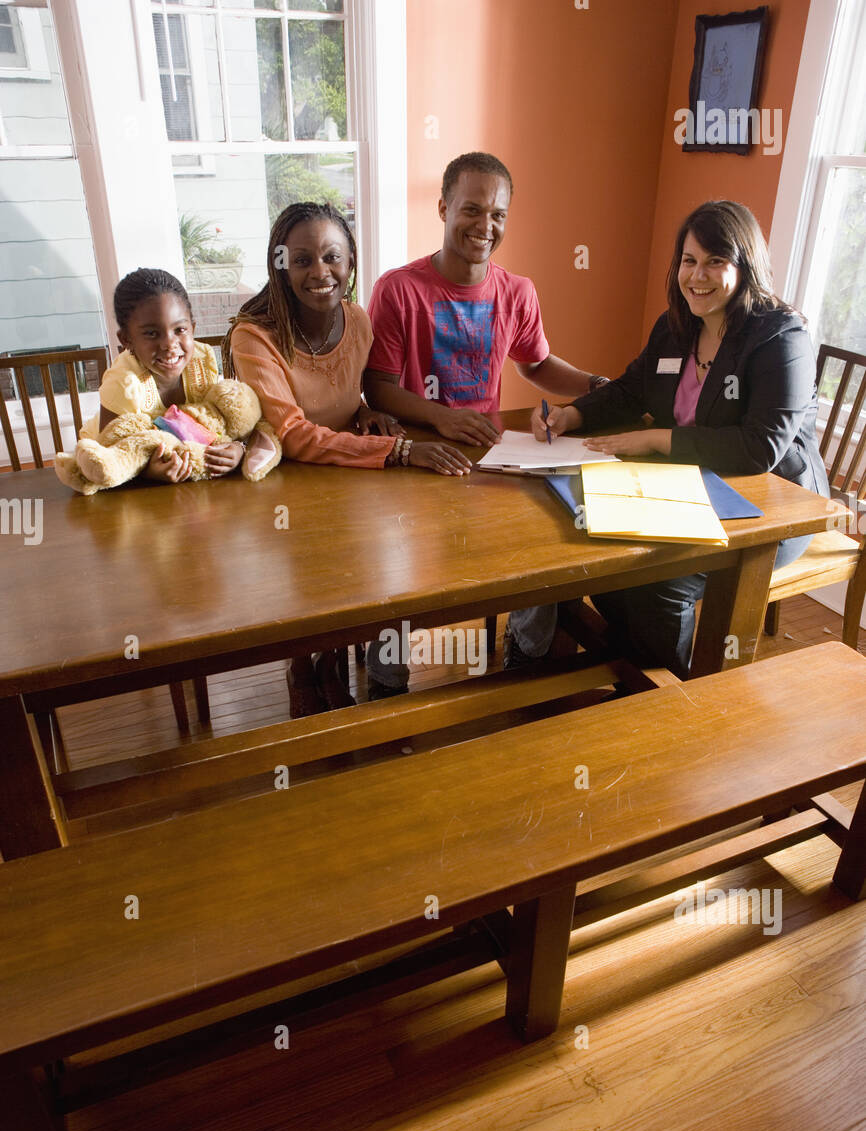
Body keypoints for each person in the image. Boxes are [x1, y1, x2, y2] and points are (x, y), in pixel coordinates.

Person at [522, 199, 831, 679]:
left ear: (744, 266)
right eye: (689, 260)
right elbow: (629, 391)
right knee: (608, 563)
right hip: (687, 489)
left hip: (777, 506)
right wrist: (570, 415)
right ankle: (630, 672)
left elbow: (759, 449)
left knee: (661, 583)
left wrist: (655, 440)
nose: (697, 275)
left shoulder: (779, 338)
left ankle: (669, 703)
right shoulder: (675, 326)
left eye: (715, 261)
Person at [363, 150, 603, 693]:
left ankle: (526, 656)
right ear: (444, 207)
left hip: (489, 456)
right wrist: (443, 419)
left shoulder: (517, 291)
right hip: (415, 456)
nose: (485, 225)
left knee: (553, 535)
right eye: (472, 210)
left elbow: (537, 364)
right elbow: (377, 386)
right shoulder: (399, 289)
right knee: (393, 558)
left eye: (497, 215)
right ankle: (386, 682)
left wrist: (604, 387)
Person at [226, 201, 470, 715]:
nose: (320, 272)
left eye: (332, 257)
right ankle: (305, 664)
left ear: (352, 260)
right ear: (280, 265)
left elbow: (342, 395)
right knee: (310, 580)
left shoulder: (357, 320)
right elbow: (292, 433)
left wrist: (365, 415)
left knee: (369, 570)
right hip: (285, 487)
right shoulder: (254, 335)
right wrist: (400, 449)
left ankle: (343, 663)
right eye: (302, 260)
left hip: (351, 472)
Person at [85, 267, 248, 483]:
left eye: (180, 330)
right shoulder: (123, 383)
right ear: (126, 340)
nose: (170, 345)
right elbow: (112, 457)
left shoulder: (200, 361)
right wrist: (147, 472)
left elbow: (219, 423)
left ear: (193, 328)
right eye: (152, 333)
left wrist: (238, 448)